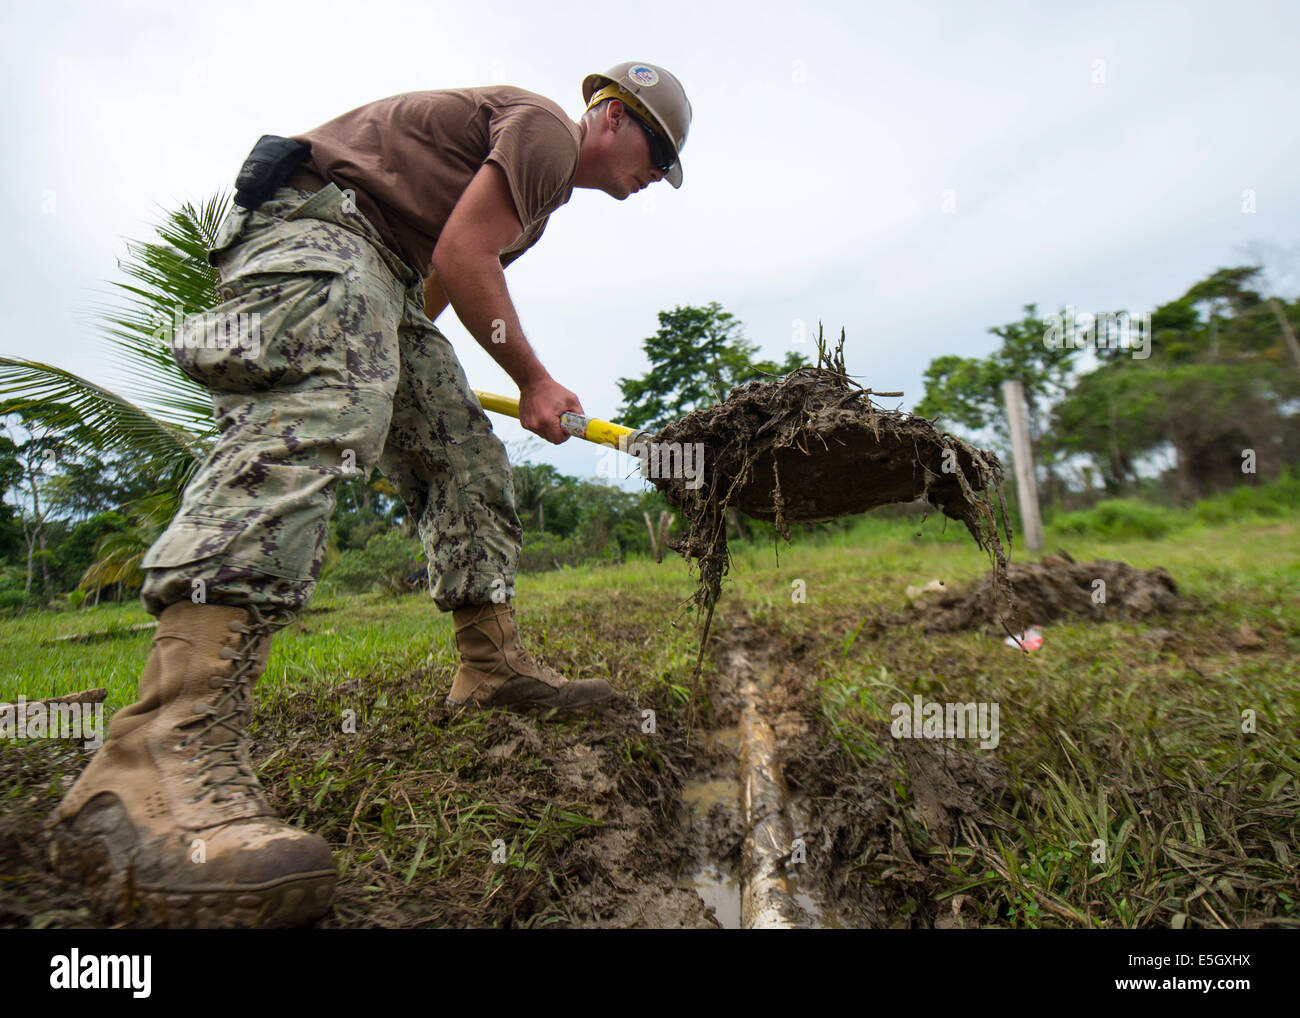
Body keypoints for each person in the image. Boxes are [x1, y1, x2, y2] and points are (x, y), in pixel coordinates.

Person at [47, 62, 693, 928]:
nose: (657, 176)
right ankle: (150, 760)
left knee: (464, 455)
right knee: (324, 412)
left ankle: (488, 667)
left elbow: (439, 281)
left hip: (380, 272)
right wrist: (535, 380)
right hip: (315, 233)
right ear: (612, 116)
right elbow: (467, 257)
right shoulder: (543, 131)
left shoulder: (537, 209)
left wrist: (422, 374)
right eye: (659, 152)